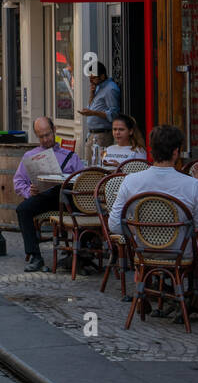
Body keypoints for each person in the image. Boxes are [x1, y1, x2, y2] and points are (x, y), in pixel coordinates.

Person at [108, 125, 198, 290]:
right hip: (179, 253)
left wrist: (137, 229)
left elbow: (114, 225)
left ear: (152, 150)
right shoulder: (192, 185)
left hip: (144, 251)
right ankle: (197, 294)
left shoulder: (130, 181)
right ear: (175, 152)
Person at [12, 116, 85, 272]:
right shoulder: (30, 156)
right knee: (23, 210)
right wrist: (28, 192)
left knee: (88, 209)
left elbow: (83, 182)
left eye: (48, 134)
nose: (45, 139)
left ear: (54, 131)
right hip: (44, 198)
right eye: (41, 136)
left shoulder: (70, 156)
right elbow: (18, 182)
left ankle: (80, 256)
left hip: (68, 199)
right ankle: (35, 256)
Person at [78, 62, 121, 162]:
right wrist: (92, 94)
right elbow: (92, 106)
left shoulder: (110, 89)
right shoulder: (98, 87)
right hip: (92, 134)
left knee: (98, 166)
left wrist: (93, 113)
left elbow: (114, 114)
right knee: (88, 165)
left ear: (102, 76)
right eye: (89, 78)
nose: (91, 81)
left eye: (93, 78)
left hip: (103, 135)